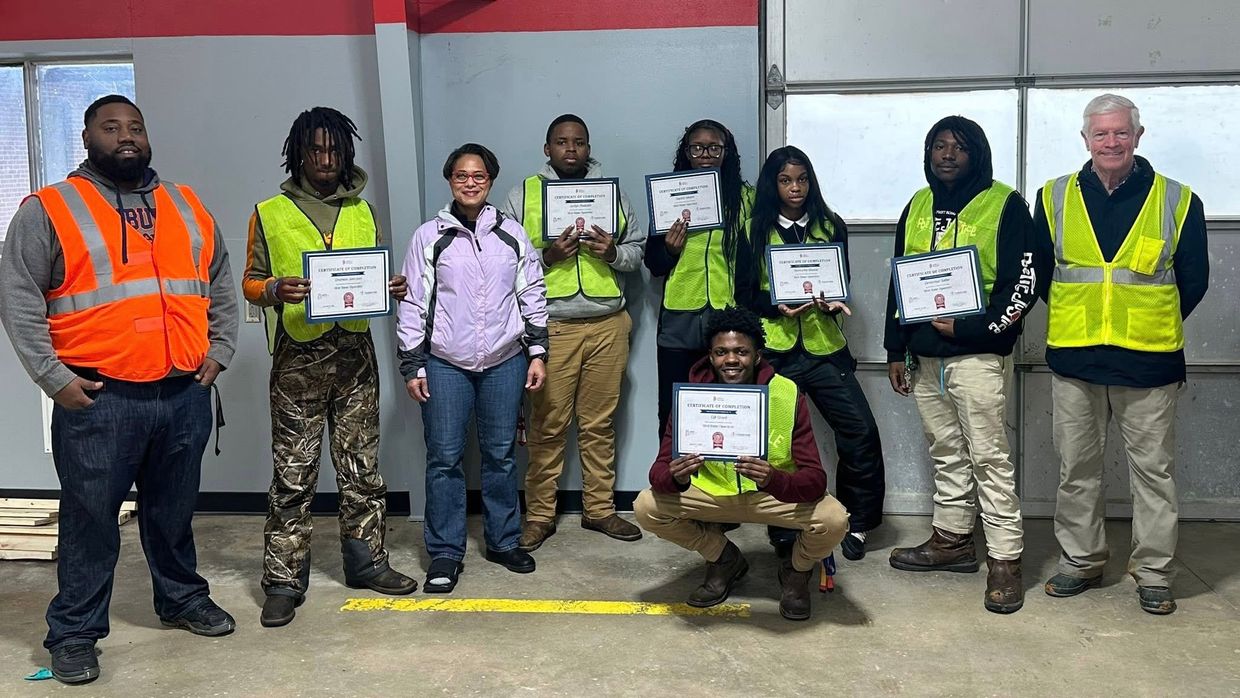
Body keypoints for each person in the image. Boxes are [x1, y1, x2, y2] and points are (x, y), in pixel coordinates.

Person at [0, 95, 238, 684]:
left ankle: (182, 599)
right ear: (86, 137)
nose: (125, 136)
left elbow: (221, 283)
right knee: (90, 521)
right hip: (99, 400)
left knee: (173, 512)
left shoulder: (186, 205)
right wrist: (54, 379)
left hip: (183, 393)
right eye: (111, 127)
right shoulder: (50, 209)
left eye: (135, 126)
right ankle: (75, 633)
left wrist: (220, 352)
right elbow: (20, 299)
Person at [1034, 94, 1208, 615]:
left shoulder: (1177, 200)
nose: (1111, 142)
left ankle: (1153, 572)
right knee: (1076, 468)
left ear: (1138, 135)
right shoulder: (1053, 197)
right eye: (1100, 134)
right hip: (1075, 358)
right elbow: (1043, 274)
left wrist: (1141, 320)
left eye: (1120, 133)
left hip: (1148, 361)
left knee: (1153, 472)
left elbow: (1194, 281)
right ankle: (1081, 562)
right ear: (1084, 139)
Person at [243, 107, 417, 628]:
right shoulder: (268, 211)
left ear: (346, 154)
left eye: (334, 150)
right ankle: (283, 581)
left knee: (363, 470)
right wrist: (274, 289)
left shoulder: (363, 211)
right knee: (293, 476)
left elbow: (374, 271)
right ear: (298, 153)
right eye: (315, 150)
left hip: (356, 354)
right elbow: (251, 280)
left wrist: (393, 287)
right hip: (299, 357)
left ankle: (367, 563)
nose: (325, 159)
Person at [883, 116, 1045, 614]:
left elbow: (1026, 281)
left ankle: (1005, 561)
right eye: (938, 146)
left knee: (989, 457)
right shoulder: (917, 204)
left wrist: (976, 328)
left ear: (977, 154)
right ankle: (952, 542)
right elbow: (898, 280)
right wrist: (895, 349)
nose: (947, 154)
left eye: (959, 147)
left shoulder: (1006, 204)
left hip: (976, 354)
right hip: (925, 358)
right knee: (946, 452)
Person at [633, 307, 849, 621]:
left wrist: (774, 479)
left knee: (834, 519)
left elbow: (815, 478)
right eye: (721, 352)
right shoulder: (691, 396)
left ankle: (796, 571)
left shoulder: (786, 393)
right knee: (645, 506)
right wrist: (675, 476)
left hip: (771, 497)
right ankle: (723, 558)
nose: (731, 360)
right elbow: (658, 472)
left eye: (741, 352)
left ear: (757, 355)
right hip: (711, 496)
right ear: (710, 356)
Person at [400, 143, 549, 592]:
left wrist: (538, 351)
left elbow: (532, 292)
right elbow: (414, 302)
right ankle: (445, 552)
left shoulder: (512, 234)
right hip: (445, 363)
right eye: (461, 175)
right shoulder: (430, 236)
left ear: (490, 181)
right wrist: (413, 364)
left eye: (479, 176)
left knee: (501, 455)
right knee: (444, 458)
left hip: (505, 362)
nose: (470, 182)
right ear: (450, 180)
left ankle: (503, 541)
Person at [502, 114, 646, 551]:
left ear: (588, 148)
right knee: (547, 424)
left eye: (579, 142)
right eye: (561, 142)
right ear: (547, 149)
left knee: (599, 424)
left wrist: (614, 252)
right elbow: (502, 262)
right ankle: (540, 515)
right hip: (553, 326)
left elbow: (637, 251)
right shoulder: (522, 194)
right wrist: (546, 256)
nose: (570, 149)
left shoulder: (613, 193)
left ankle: (599, 511)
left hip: (608, 324)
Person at [735, 145, 885, 561]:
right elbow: (743, 293)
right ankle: (784, 526)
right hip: (776, 351)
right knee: (777, 441)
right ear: (773, 184)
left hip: (824, 348)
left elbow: (841, 279)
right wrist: (775, 305)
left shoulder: (830, 224)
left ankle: (857, 523)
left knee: (859, 432)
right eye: (786, 180)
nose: (795, 188)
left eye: (802, 179)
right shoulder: (753, 229)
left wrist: (833, 300)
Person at [644, 119, 755, 438]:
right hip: (680, 314)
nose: (705, 154)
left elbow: (753, 263)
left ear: (726, 152)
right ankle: (673, 482)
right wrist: (668, 249)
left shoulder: (746, 199)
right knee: (674, 406)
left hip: (727, 314)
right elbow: (653, 263)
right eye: (697, 147)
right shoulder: (668, 195)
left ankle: (723, 481)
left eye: (714, 147)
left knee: (727, 404)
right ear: (687, 152)